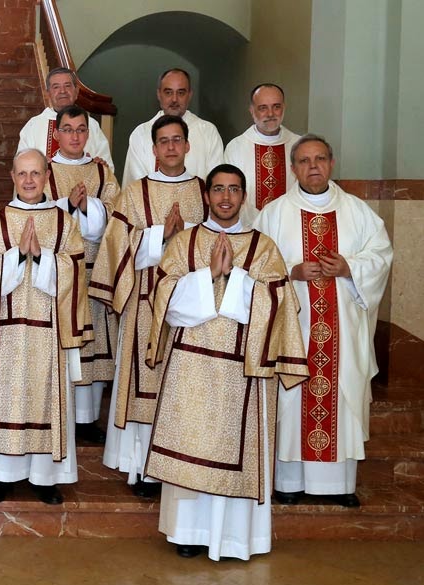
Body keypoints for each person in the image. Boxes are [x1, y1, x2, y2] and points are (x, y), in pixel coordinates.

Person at [143, 163, 308, 561]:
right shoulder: (184, 242)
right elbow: (164, 301)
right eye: (218, 189)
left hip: (243, 372)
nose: (225, 197)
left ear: (244, 196)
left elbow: (280, 306)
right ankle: (187, 532)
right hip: (190, 366)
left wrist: (232, 277)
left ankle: (234, 538)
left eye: (234, 189)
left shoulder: (264, 248)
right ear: (207, 195)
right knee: (189, 443)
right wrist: (208, 275)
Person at [254, 134, 393, 508]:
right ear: (293, 168)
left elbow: (381, 255)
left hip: (343, 331)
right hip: (294, 331)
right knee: (292, 400)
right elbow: (256, 265)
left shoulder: (358, 212)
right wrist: (292, 271)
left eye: (319, 159)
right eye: (304, 160)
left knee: (342, 395)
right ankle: (289, 482)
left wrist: (350, 268)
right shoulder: (273, 214)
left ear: (331, 163)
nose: (312, 166)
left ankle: (339, 485)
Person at [0, 148, 92, 505]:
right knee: (4, 399)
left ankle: (44, 479)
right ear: (13, 178)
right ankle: (2, 476)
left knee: (46, 399)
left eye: (35, 173)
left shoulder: (64, 223)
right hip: (4, 333)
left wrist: (43, 258)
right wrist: (17, 256)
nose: (29, 180)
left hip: (49, 333)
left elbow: (76, 273)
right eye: (22, 173)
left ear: (47, 176)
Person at [90, 114, 206, 498]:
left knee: (185, 384)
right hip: (143, 304)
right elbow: (116, 246)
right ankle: (142, 467)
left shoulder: (205, 192)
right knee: (145, 383)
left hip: (193, 307)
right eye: (164, 141)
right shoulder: (135, 192)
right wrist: (160, 235)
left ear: (188, 145)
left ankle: (183, 466)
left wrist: (187, 241)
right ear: (154, 149)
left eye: (177, 140)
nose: (171, 147)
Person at [45, 105, 119, 443]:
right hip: (57, 275)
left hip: (94, 273)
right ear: (56, 133)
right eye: (68, 129)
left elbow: (116, 219)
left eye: (80, 130)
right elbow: (35, 215)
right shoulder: (43, 171)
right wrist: (68, 206)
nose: (74, 136)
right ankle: (57, 412)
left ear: (88, 134)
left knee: (93, 343)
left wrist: (90, 206)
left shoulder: (102, 173)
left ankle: (86, 419)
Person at [122, 68, 223, 187]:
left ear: (190, 95)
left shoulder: (208, 132)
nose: (174, 99)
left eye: (181, 93)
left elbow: (216, 184)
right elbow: (136, 187)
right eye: (168, 92)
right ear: (159, 94)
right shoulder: (141, 134)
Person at [224, 83, 300, 225]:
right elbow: (232, 192)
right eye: (263, 108)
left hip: (289, 225)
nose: (270, 114)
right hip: (248, 226)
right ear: (252, 111)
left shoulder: (299, 146)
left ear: (284, 108)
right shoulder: (236, 147)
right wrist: (258, 222)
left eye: (276, 107)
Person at [17, 67, 114, 170]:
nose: (62, 91)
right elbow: (21, 166)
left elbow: (107, 168)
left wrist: (101, 166)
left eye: (67, 86)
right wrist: (39, 165)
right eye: (56, 87)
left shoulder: (91, 125)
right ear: (47, 94)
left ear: (76, 91)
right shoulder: (33, 126)